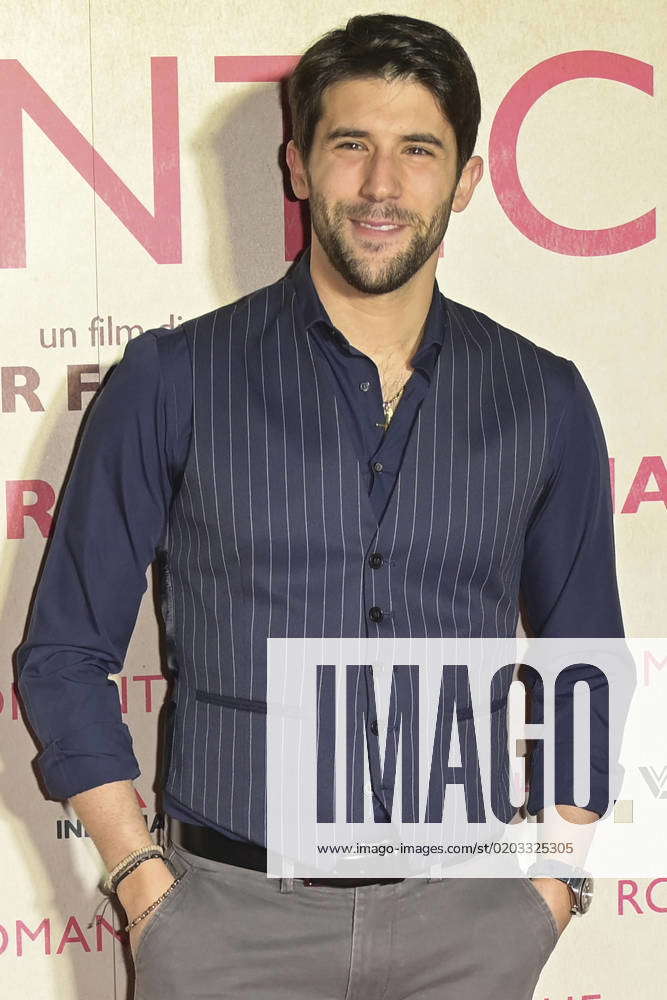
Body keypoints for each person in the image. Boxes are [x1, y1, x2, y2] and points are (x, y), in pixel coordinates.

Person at [16, 13, 626, 1000]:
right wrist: (141, 882)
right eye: (351, 146)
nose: (381, 186)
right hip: (225, 925)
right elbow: (64, 654)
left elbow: (585, 664)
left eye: (418, 151)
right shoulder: (174, 379)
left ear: (466, 178)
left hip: (469, 928)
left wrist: (549, 885)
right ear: (297, 165)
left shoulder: (539, 396)